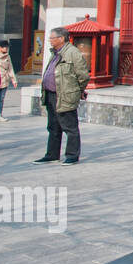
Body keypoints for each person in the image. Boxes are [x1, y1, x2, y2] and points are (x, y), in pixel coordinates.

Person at [34, 27, 90, 165]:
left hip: (65, 95)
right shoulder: (55, 53)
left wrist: (77, 90)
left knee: (70, 127)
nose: (49, 40)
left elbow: (83, 75)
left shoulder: (72, 53)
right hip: (51, 94)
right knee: (53, 126)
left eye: (52, 38)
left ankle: (72, 155)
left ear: (61, 38)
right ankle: (52, 154)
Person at [0, 43, 18, 122]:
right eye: (5, 47)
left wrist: (13, 80)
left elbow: (10, 68)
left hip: (4, 79)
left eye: (7, 47)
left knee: (1, 98)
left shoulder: (8, 57)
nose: (6, 49)